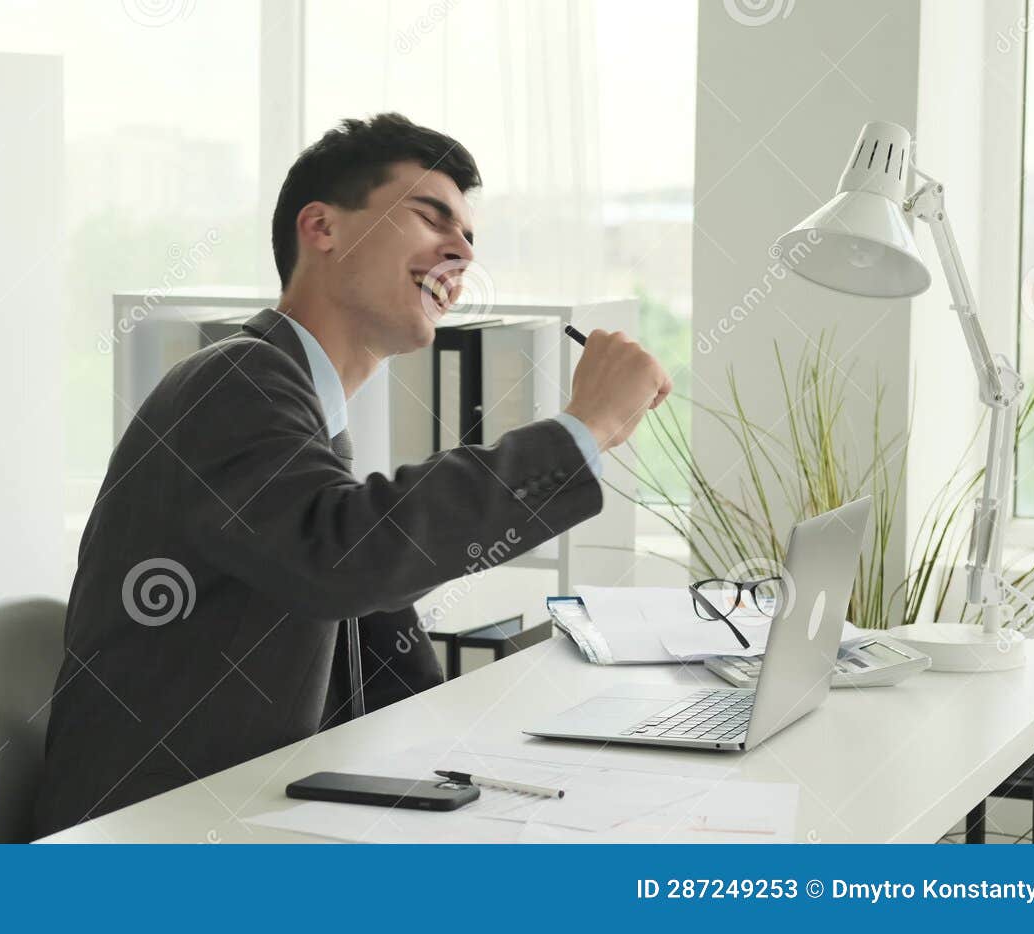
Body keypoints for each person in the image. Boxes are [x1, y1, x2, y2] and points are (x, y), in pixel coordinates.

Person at [34, 113, 671, 836]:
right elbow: (344, 558)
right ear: (323, 228)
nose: (462, 251)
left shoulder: (305, 421)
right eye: (433, 217)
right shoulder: (235, 381)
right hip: (156, 844)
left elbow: (382, 654)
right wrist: (582, 430)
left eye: (470, 239)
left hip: (251, 817)